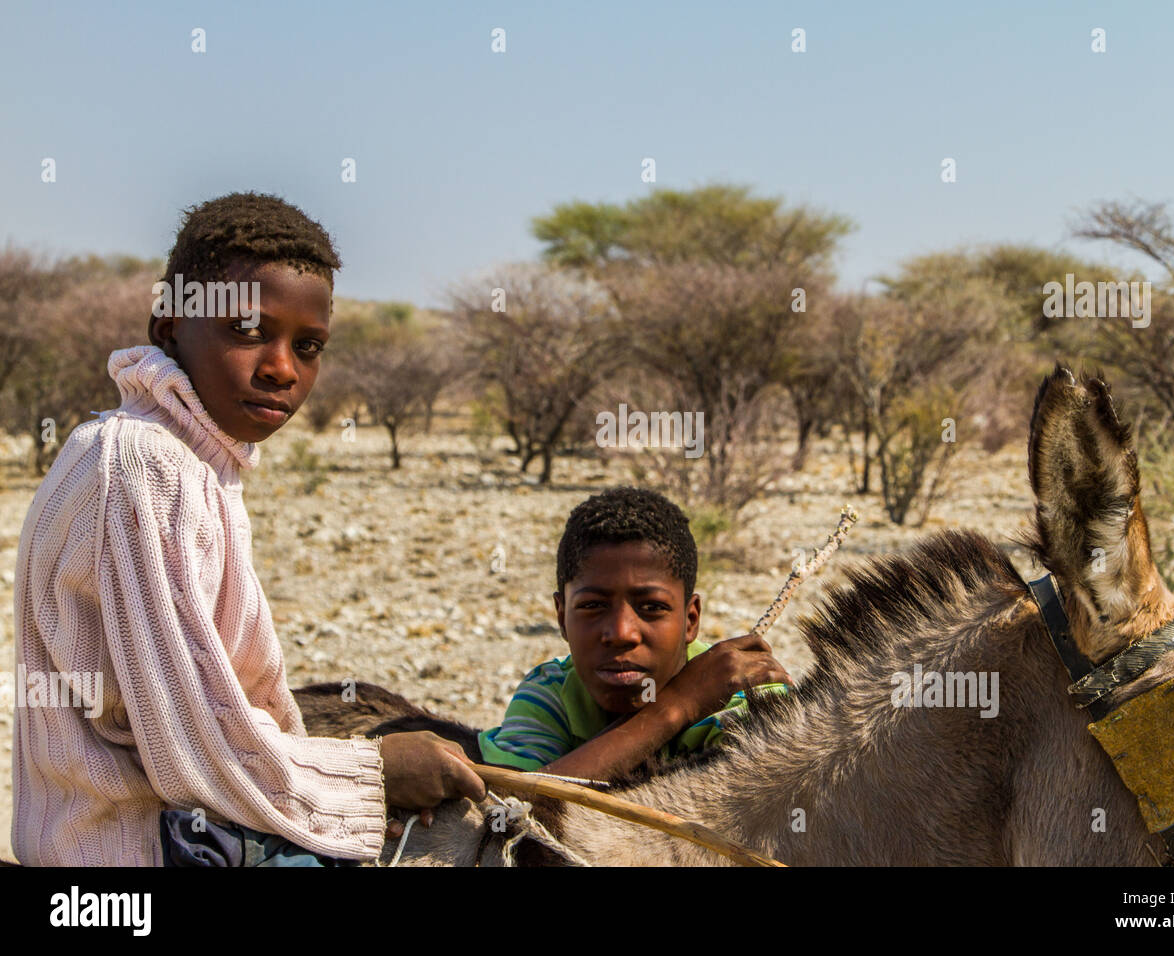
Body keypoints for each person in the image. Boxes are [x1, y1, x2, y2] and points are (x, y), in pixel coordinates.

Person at [11, 191, 484, 866]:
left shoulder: (201, 466)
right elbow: (189, 742)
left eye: (309, 346)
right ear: (170, 326)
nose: (282, 367)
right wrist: (375, 773)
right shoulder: (143, 464)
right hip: (134, 853)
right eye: (248, 330)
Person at [479, 486, 790, 781]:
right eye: (593, 605)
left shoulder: (739, 693)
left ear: (690, 620)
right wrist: (677, 706)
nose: (621, 633)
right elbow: (510, 810)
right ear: (562, 618)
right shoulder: (551, 694)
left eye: (651, 607)